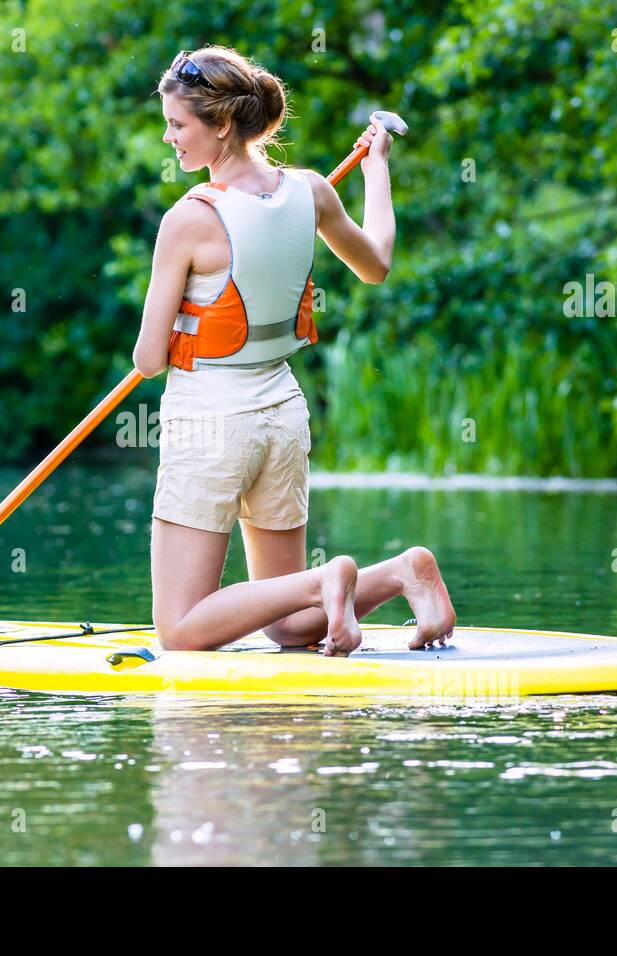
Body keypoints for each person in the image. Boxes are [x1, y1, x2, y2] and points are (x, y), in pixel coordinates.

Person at [132, 46, 455, 655]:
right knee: (288, 622)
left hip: (211, 423)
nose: (170, 138)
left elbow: (148, 361)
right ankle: (401, 573)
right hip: (282, 415)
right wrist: (376, 167)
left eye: (178, 125)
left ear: (221, 125)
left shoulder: (188, 219)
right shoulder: (309, 191)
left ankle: (327, 577)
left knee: (178, 629)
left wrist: (180, 323)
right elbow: (377, 264)